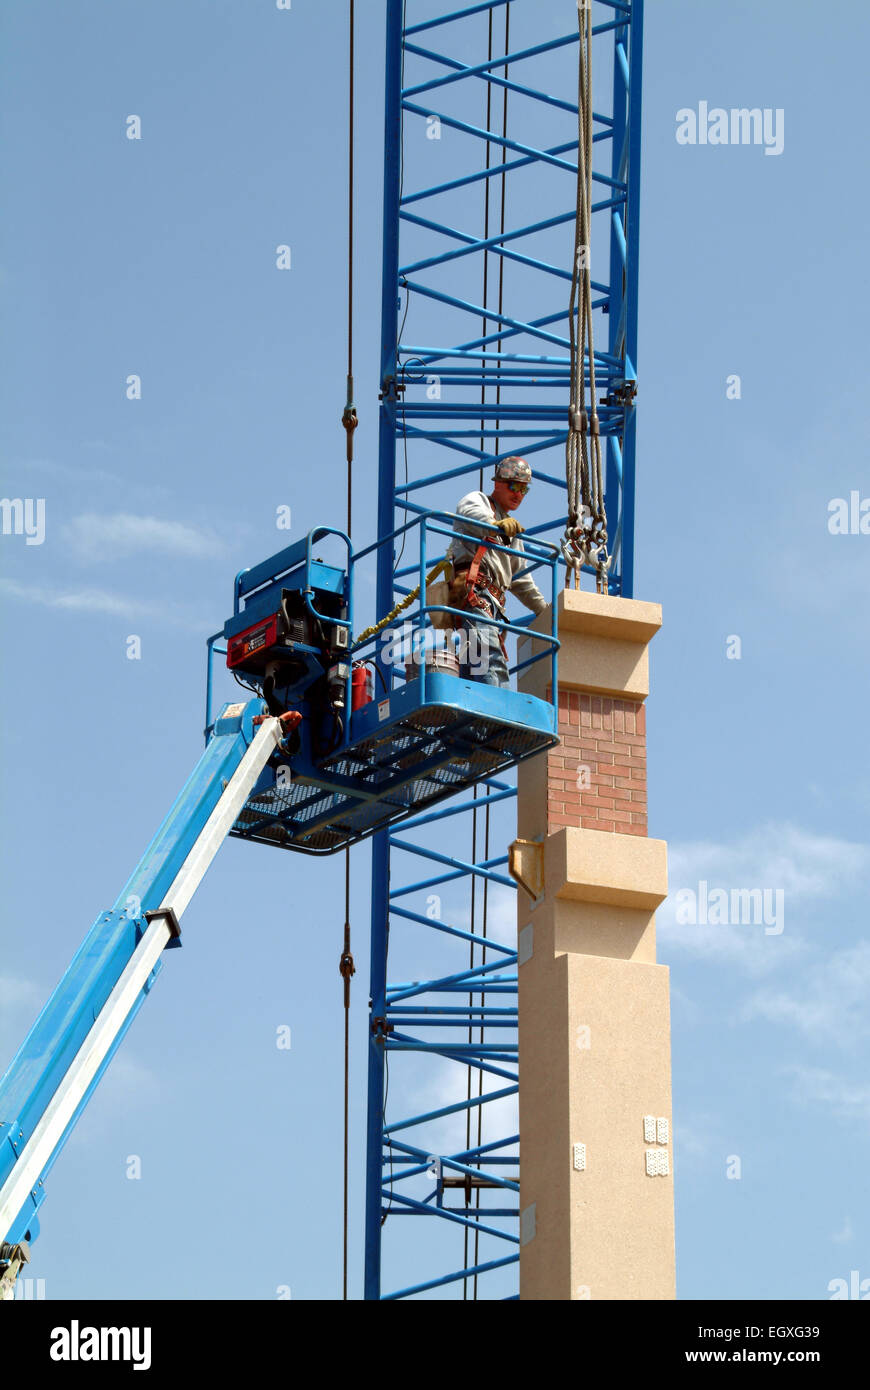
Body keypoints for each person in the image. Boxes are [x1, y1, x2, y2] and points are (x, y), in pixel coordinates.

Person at [446, 457, 548, 687]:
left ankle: (476, 720)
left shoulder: (512, 529)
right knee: (491, 661)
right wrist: (495, 525)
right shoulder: (478, 500)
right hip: (475, 596)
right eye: (514, 486)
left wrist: (544, 611)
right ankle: (498, 720)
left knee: (475, 669)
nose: (519, 494)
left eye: (524, 489)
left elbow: (521, 579)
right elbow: (469, 514)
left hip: (494, 606)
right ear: (498, 483)